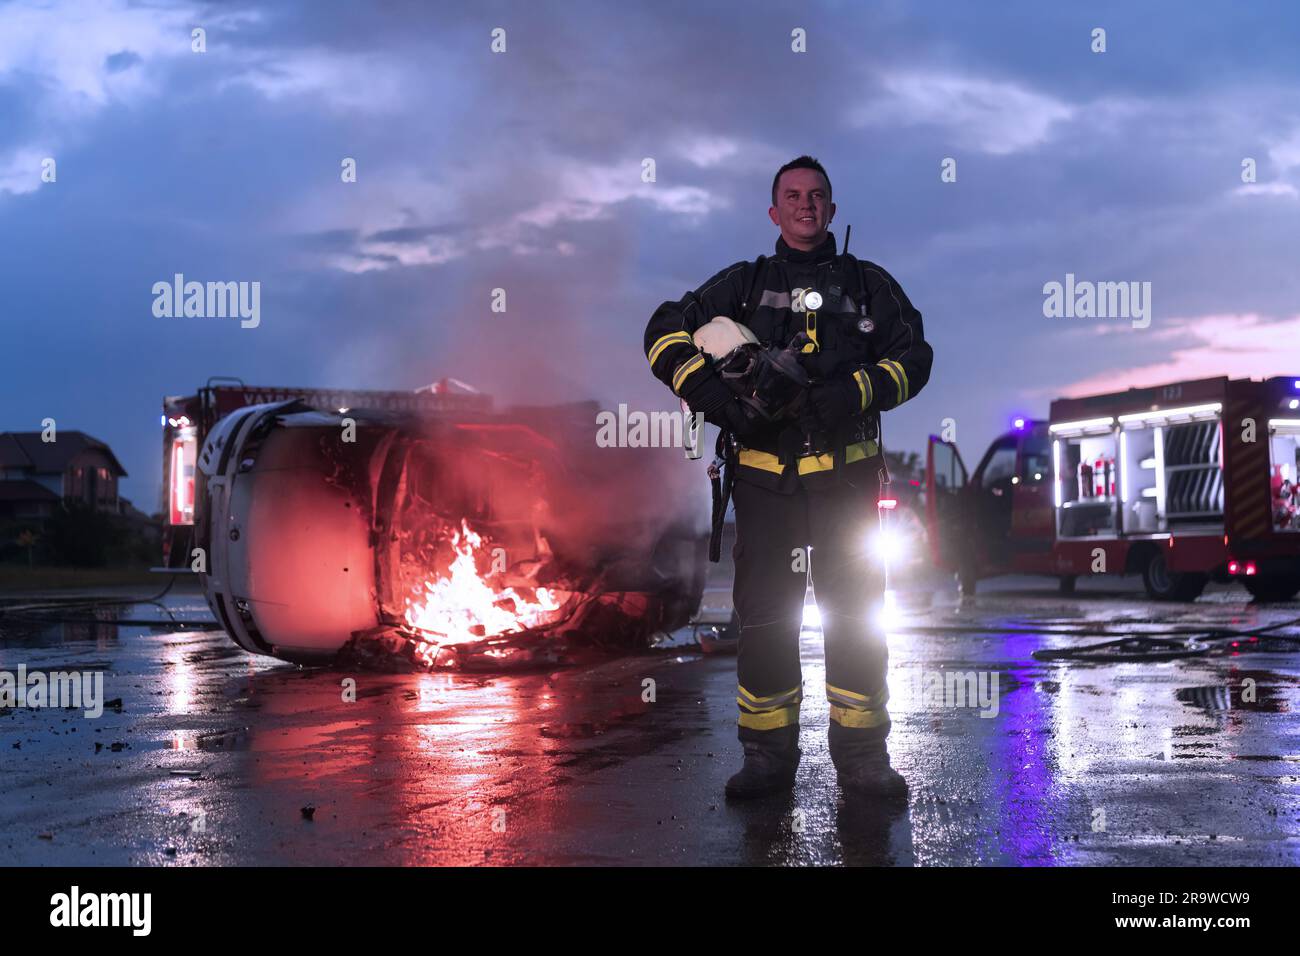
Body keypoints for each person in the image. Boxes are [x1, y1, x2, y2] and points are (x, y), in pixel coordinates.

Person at [643, 155, 933, 800]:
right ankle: (767, 760)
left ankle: (862, 760)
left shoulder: (868, 285)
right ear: (774, 212)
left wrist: (854, 393)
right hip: (765, 491)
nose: (806, 205)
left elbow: (916, 357)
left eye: (818, 196)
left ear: (832, 209)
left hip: (847, 493)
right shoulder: (742, 284)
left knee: (856, 619)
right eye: (793, 196)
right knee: (767, 623)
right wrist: (712, 395)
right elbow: (663, 330)